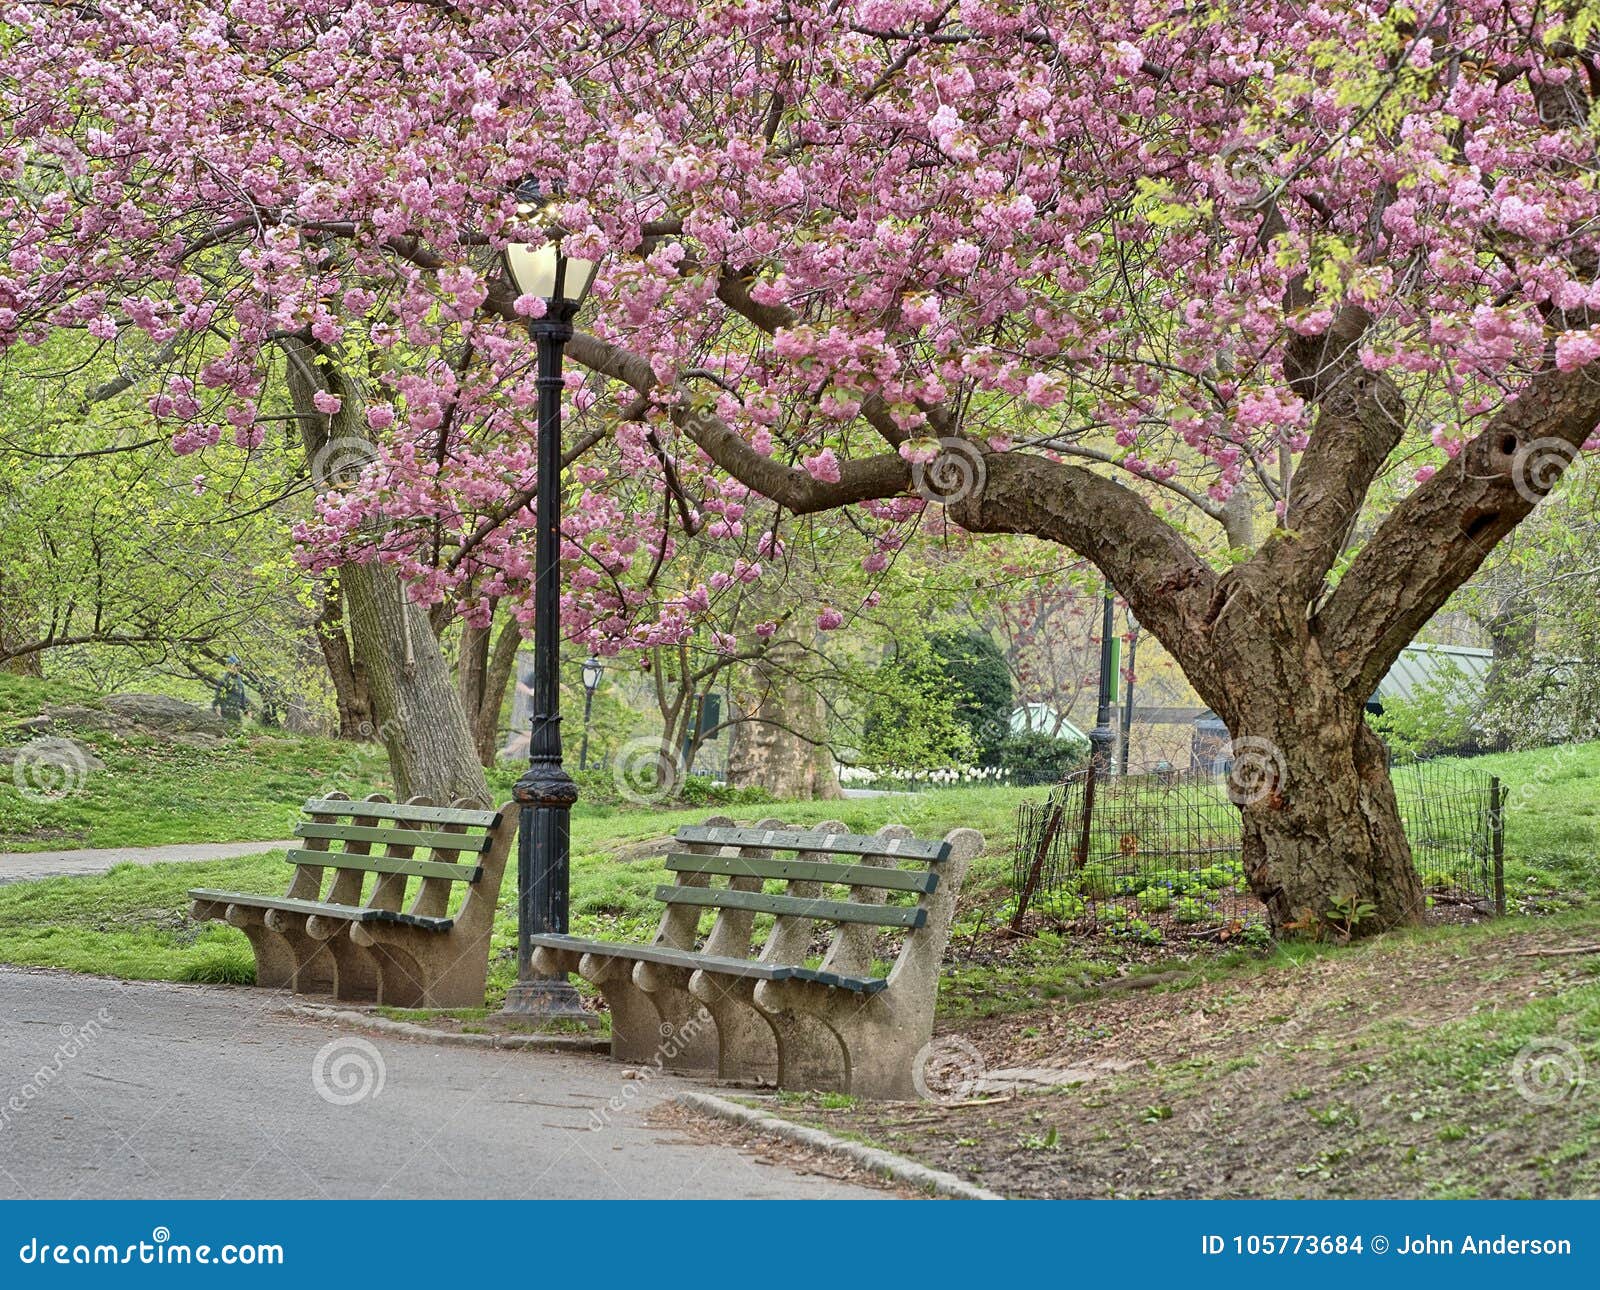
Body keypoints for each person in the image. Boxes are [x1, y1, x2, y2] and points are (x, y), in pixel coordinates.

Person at [212, 655, 251, 724]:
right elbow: (218, 695)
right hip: (226, 711)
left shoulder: (239, 678)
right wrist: (217, 708)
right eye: (236, 665)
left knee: (238, 731)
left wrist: (245, 710)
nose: (238, 668)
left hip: (236, 711)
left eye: (239, 666)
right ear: (230, 666)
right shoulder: (225, 679)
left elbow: (242, 695)